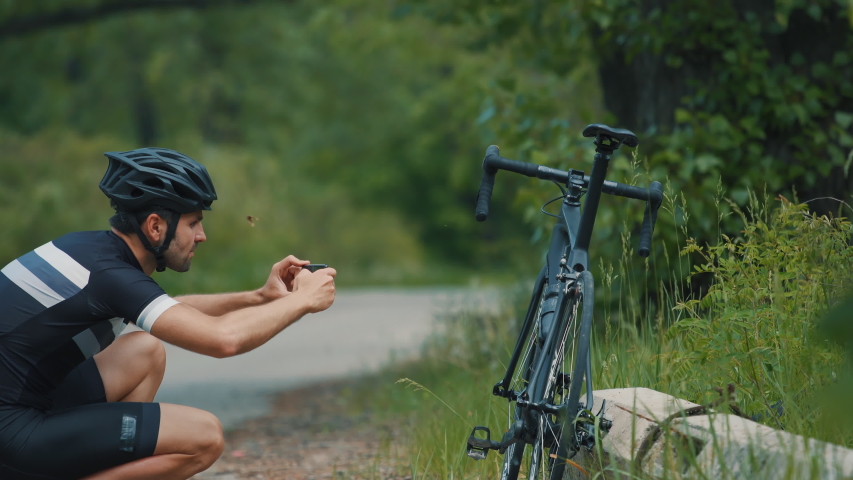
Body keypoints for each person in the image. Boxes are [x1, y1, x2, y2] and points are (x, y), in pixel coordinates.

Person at [0, 147, 337, 479]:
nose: (202, 236)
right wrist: (303, 300)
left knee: (144, 351)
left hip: (23, 403)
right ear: (155, 226)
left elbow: (175, 314)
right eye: (193, 223)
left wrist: (260, 297)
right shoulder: (111, 276)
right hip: (12, 431)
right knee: (203, 437)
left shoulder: (93, 253)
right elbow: (225, 340)